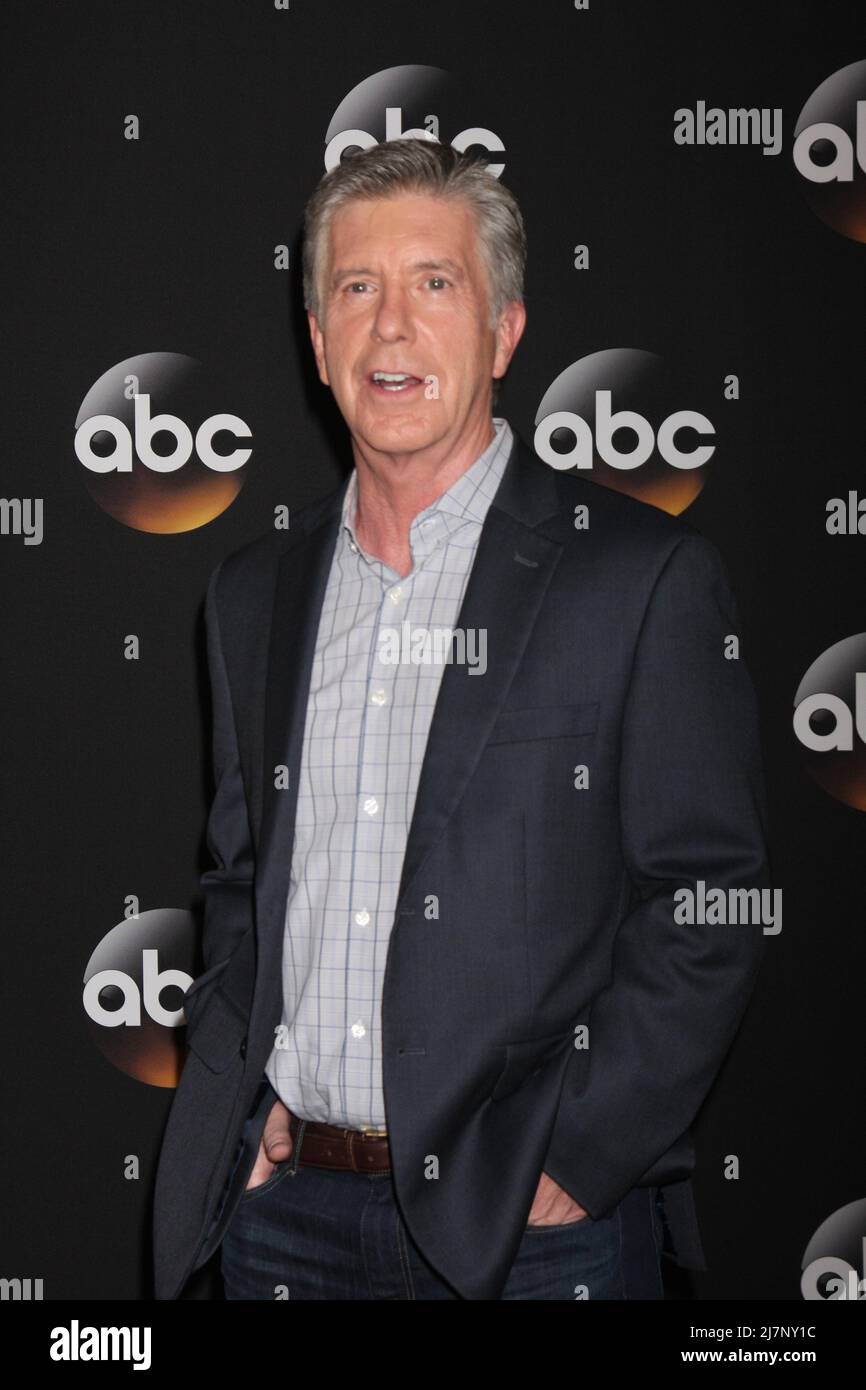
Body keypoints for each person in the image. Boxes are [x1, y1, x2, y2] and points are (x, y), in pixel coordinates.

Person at [152, 137, 770, 1301]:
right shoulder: (251, 596)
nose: (390, 325)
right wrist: (248, 1096)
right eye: (356, 288)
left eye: (433, 283)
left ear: (502, 332)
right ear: (318, 340)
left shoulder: (635, 579)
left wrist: (576, 1155)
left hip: (531, 1236)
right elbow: (241, 882)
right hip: (285, 1222)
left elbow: (706, 898)